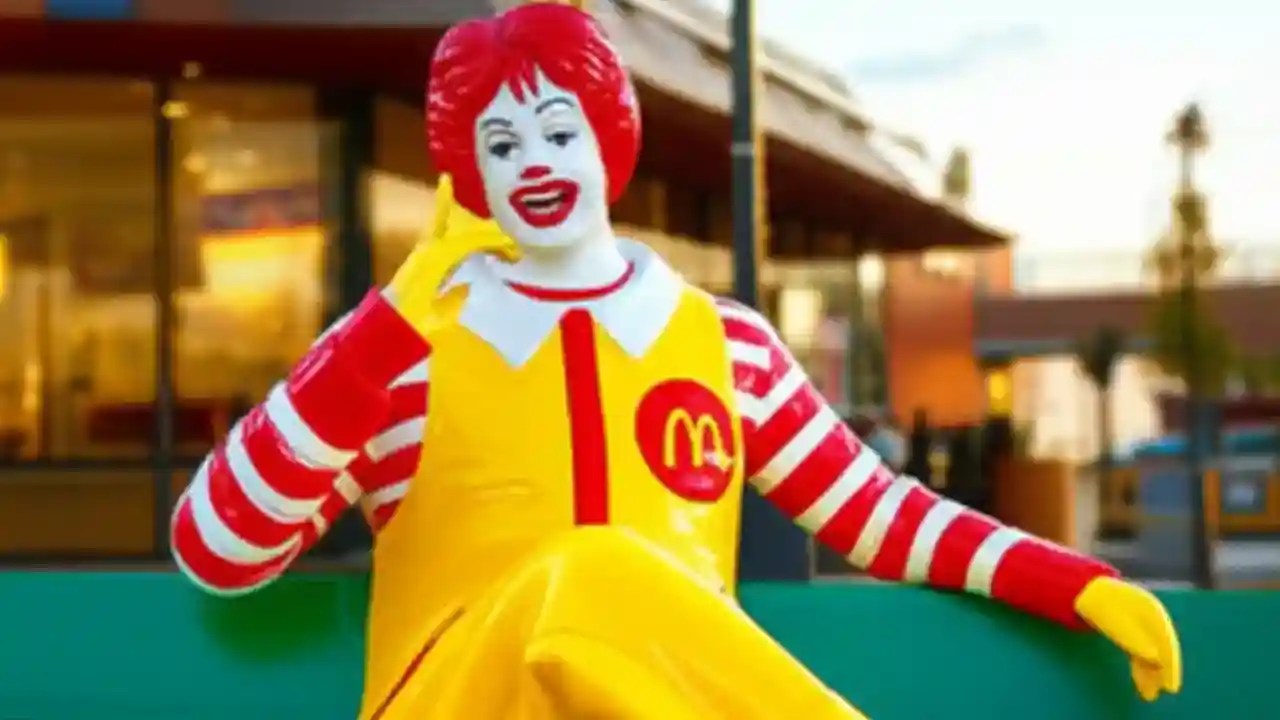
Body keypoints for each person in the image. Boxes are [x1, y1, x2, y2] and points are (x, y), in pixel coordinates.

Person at [169, 4, 1182, 718]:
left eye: (557, 131)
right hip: (458, 703)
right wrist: (388, 322)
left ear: (608, 139)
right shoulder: (404, 348)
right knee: (592, 567)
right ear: (467, 172)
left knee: (606, 574)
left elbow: (880, 516)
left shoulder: (722, 344)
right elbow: (217, 547)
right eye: (501, 144)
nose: (534, 164)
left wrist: (1073, 584)